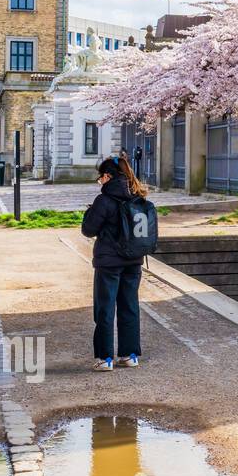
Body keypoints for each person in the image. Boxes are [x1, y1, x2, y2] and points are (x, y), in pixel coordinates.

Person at [81, 155, 148, 372]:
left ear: (108, 176)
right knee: (130, 306)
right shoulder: (137, 196)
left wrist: (89, 212)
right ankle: (129, 355)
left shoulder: (105, 200)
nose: (100, 181)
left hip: (109, 262)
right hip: (133, 260)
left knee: (105, 308)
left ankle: (105, 358)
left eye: (101, 177)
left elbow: (88, 229)